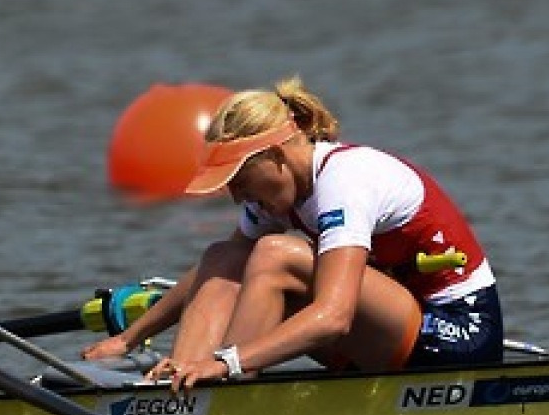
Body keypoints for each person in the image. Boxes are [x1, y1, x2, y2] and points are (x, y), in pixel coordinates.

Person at [82, 76, 502, 394]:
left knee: (276, 255)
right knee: (225, 256)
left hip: (457, 334)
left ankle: (224, 392)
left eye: (239, 178)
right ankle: (182, 385)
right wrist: (129, 338)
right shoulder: (274, 194)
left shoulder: (346, 180)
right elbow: (217, 272)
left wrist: (227, 362)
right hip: (389, 329)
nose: (236, 197)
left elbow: (334, 317)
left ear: (275, 155)